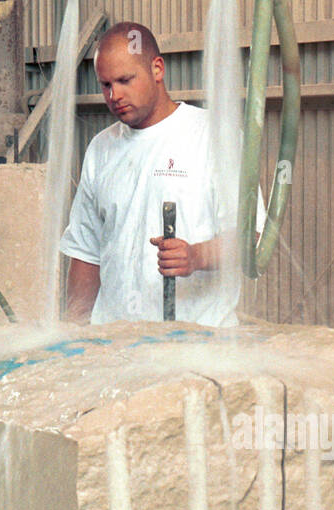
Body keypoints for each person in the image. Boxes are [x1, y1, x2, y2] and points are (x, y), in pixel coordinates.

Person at [59, 21, 265, 327]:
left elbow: (251, 237)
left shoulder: (214, 136)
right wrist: (72, 335)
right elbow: (86, 252)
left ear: (157, 69)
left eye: (125, 80)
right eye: (106, 85)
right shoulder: (101, 149)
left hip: (196, 344)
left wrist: (197, 257)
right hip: (115, 343)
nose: (114, 94)